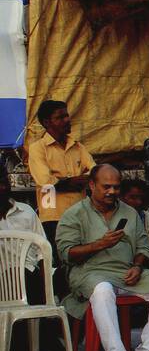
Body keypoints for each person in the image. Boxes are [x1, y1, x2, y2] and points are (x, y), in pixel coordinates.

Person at [55, 164, 149, 351]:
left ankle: (146, 350)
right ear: (92, 185)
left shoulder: (129, 212)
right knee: (102, 290)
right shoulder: (74, 214)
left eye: (116, 187)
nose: (112, 191)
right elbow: (67, 253)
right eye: (106, 187)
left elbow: (143, 246)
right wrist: (99, 244)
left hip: (126, 271)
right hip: (88, 272)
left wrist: (138, 266)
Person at [26, 99, 94, 295]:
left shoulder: (78, 146)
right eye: (60, 117)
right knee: (60, 269)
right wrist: (77, 179)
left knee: (82, 266)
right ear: (47, 122)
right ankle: (62, 314)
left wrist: (64, 181)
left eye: (66, 115)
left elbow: (95, 173)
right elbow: (45, 180)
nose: (66, 120)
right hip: (53, 218)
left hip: (81, 217)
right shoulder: (38, 148)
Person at [0, 164, 49, 351]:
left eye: (3, 182)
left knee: (30, 277)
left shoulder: (26, 211)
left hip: (28, 274)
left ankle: (33, 347)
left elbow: (42, 251)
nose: (2, 188)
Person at [119, 179, 149, 243]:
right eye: (133, 197)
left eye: (141, 198)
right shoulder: (112, 218)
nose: (139, 202)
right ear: (121, 197)